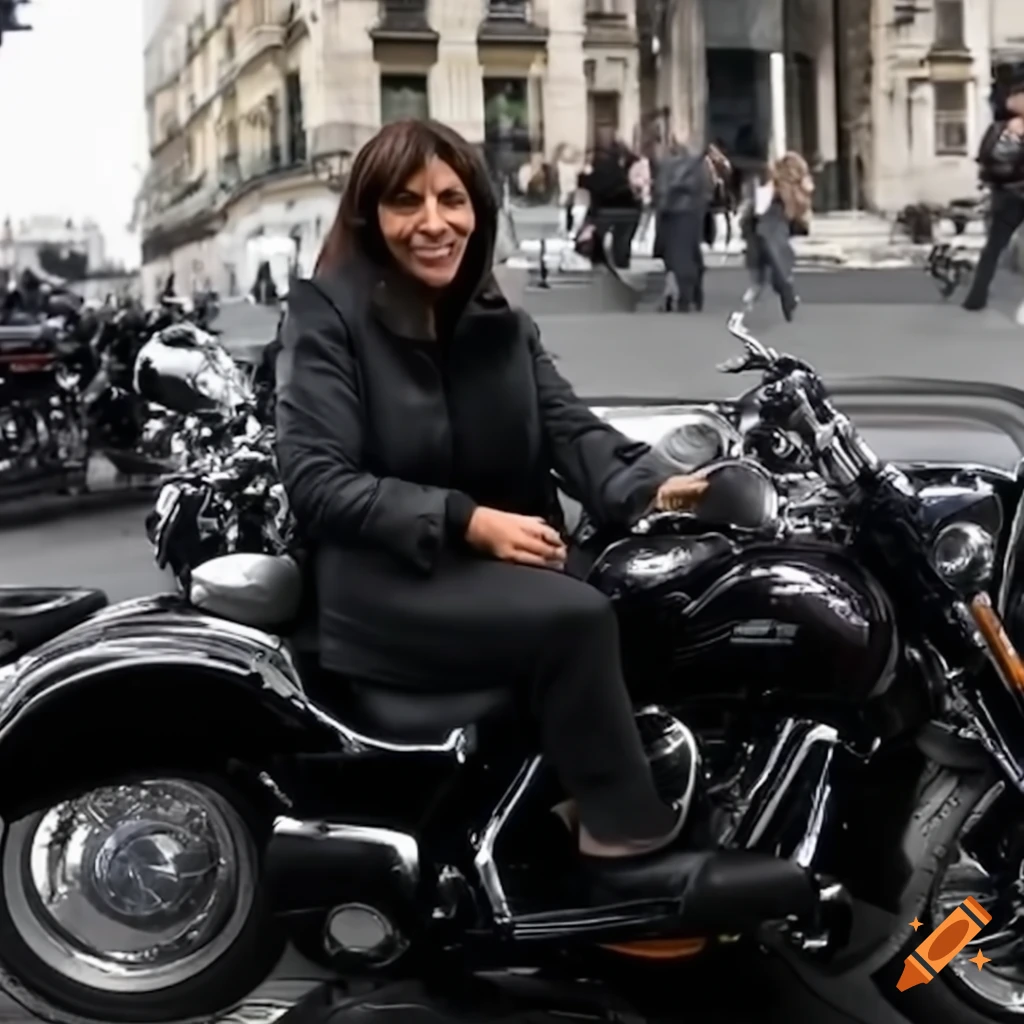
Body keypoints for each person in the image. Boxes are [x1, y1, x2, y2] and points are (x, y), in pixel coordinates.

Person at [275, 118, 710, 902]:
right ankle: (627, 848)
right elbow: (316, 479)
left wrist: (656, 486)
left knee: (661, 597)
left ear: (479, 207)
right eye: (406, 203)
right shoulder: (325, 317)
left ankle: (565, 805)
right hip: (384, 585)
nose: (434, 223)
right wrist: (465, 519)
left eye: (452, 198)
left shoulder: (497, 317)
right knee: (576, 619)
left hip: (494, 564)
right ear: (370, 215)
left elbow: (568, 425)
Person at [962, 70, 1024, 312]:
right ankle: (977, 296)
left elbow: (984, 157)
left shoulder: (998, 129)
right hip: (1008, 194)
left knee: (993, 247)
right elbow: (985, 157)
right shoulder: (1000, 128)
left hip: (1006, 192)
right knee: (994, 247)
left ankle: (976, 297)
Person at [740, 151, 812, 321]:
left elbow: (756, 210)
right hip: (775, 231)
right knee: (777, 265)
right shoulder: (797, 190)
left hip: (763, 230)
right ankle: (785, 293)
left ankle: (762, 297)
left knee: (763, 267)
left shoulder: (773, 186)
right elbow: (800, 216)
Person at [653, 139, 715, 312]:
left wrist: (661, 204)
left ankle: (683, 296)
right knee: (687, 254)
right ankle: (689, 294)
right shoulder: (698, 166)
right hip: (691, 213)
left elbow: (662, 189)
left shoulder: (668, 165)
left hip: (673, 213)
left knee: (676, 256)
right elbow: (707, 188)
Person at [578, 127, 641, 269]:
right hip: (629, 207)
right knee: (622, 241)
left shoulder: (600, 161)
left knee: (596, 234)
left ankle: (598, 261)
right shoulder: (628, 159)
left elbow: (595, 185)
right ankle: (621, 264)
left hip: (606, 208)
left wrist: (583, 178)